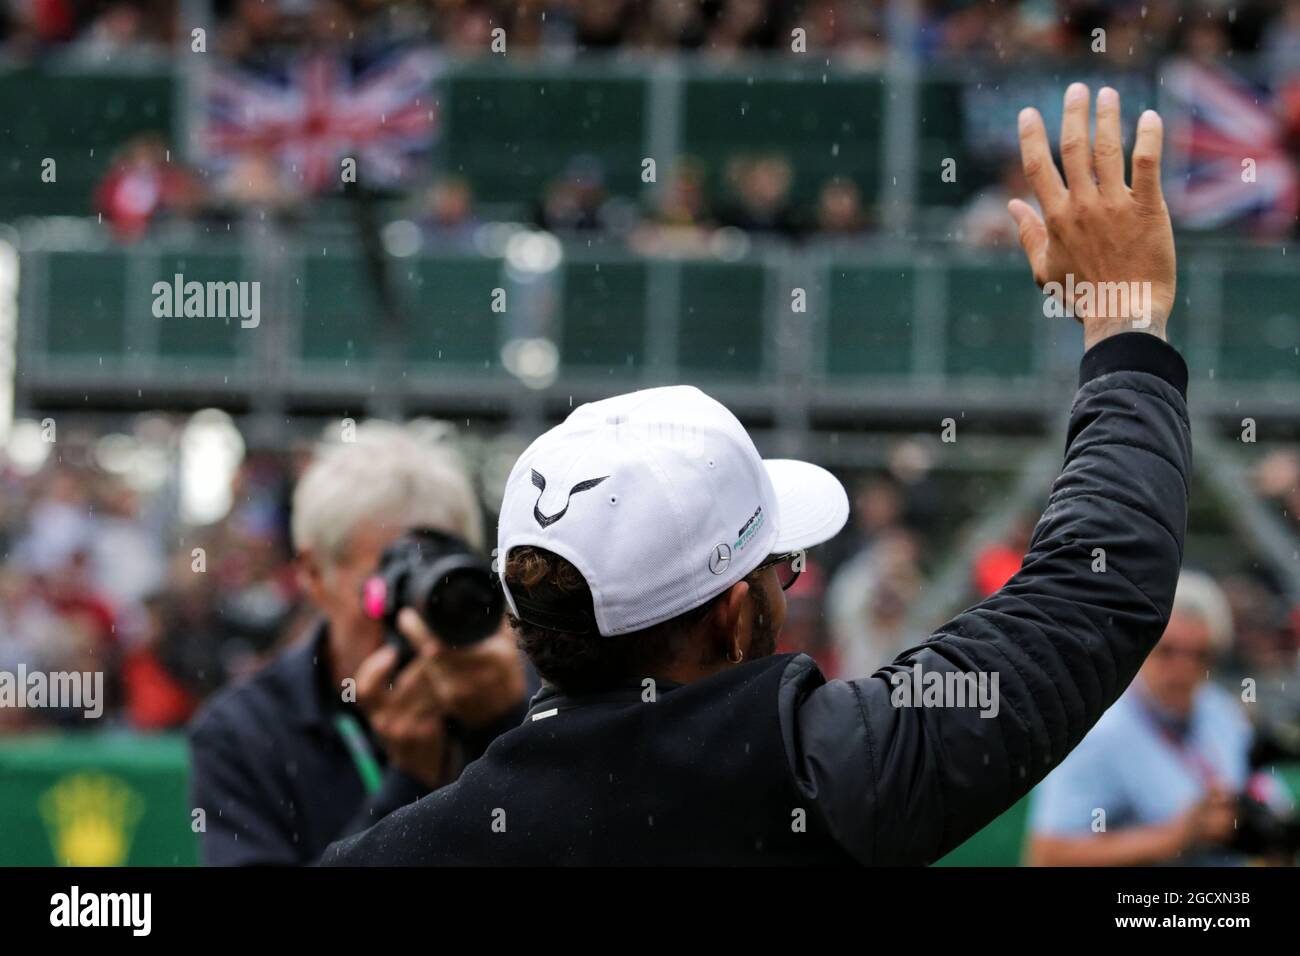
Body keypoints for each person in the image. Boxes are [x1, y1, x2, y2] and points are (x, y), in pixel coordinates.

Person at [324, 83, 1190, 865]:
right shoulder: (823, 781)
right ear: (735, 620)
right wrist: (1125, 323)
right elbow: (1093, 595)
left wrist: (418, 779)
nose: (788, 586)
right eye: (781, 567)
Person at [188, 421, 531, 865]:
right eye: (392, 582)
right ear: (313, 575)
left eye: (438, 579)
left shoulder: (530, 694)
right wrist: (409, 783)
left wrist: (508, 726)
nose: (415, 615)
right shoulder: (245, 732)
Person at [1025, 572, 1253, 866]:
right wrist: (1172, 839)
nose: (1183, 670)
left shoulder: (1221, 713)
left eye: (1200, 655)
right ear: (1141, 651)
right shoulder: (1099, 731)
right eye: (1167, 652)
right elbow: (1046, 856)